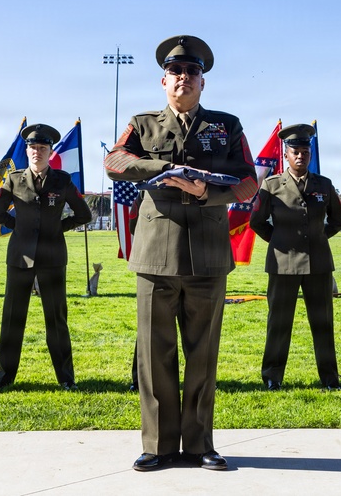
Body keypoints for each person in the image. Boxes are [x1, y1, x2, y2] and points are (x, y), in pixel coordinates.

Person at [105, 34, 258, 472]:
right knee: (154, 357)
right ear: (164, 80)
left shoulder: (226, 126)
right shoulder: (143, 123)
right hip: (155, 255)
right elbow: (114, 162)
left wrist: (206, 190)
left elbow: (249, 181)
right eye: (176, 73)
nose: (184, 79)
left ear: (202, 83)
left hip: (208, 254)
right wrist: (164, 170)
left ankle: (198, 445)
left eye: (192, 73)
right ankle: (157, 445)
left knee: (202, 355)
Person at [0, 123, 92, 391]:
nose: (37, 152)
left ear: (50, 151)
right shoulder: (13, 179)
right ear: (27, 150)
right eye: (33, 147)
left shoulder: (62, 180)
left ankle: (66, 379)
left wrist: (59, 227)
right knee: (12, 319)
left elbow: (84, 214)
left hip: (53, 258)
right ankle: (4, 378)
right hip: (20, 257)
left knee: (56, 320)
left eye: (42, 148)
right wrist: (15, 224)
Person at [250, 123, 341, 390]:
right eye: (296, 151)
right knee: (278, 324)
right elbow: (256, 221)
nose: (301, 156)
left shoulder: (324, 185)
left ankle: (329, 379)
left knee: (323, 323)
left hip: (319, 264)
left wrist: (318, 236)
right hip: (283, 264)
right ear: (286, 155)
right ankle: (272, 377)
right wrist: (279, 240)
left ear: (310, 154)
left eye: (305, 151)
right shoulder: (271, 185)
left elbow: (338, 220)